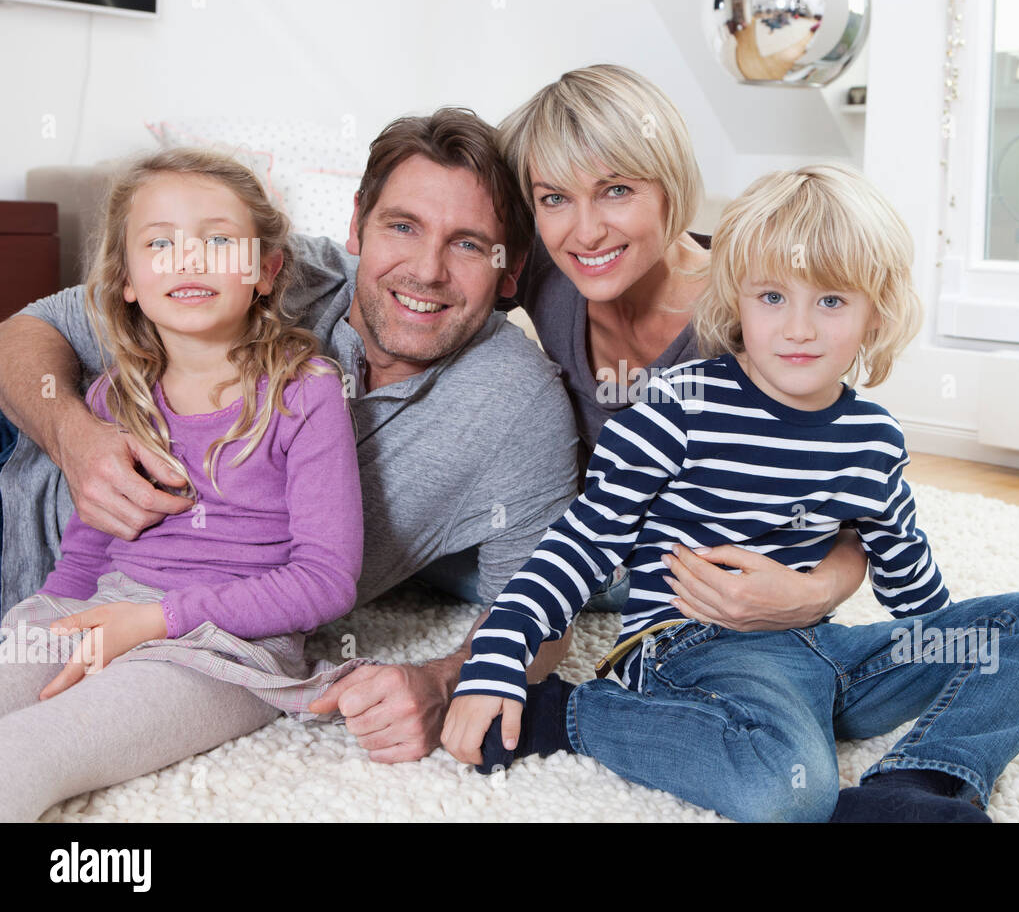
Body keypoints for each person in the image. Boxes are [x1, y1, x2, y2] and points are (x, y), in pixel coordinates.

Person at [441, 165, 1019, 823]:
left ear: (873, 314)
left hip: (823, 654)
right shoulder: (678, 406)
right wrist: (497, 659)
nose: (798, 329)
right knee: (790, 792)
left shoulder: (873, 438)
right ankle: (567, 715)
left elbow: (913, 592)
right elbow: (581, 542)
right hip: (692, 652)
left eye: (830, 301)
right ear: (736, 299)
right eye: (772, 297)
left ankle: (916, 784)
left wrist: (947, 653)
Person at [0, 109, 580, 763]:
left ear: (510, 270)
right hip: (28, 483)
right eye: (403, 226)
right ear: (357, 222)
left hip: (186, 630)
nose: (427, 269)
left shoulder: (516, 405)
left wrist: (443, 682)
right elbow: (24, 333)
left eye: (468, 244)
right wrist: (73, 437)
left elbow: (539, 609)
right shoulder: (264, 270)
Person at [0, 148, 370, 822]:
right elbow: (86, 554)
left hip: (224, 649)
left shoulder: (306, 392)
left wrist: (155, 622)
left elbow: (325, 579)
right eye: (160, 243)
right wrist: (50, 626)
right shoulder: (115, 394)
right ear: (128, 280)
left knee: (24, 753)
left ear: (264, 270)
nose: (188, 259)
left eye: (218, 240)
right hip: (112, 610)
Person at [495, 62, 869, 633]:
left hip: (695, 579)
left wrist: (812, 593)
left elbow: (857, 498)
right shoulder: (547, 269)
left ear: (671, 186)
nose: (586, 231)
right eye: (554, 198)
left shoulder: (751, 308)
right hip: (581, 550)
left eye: (616, 190)